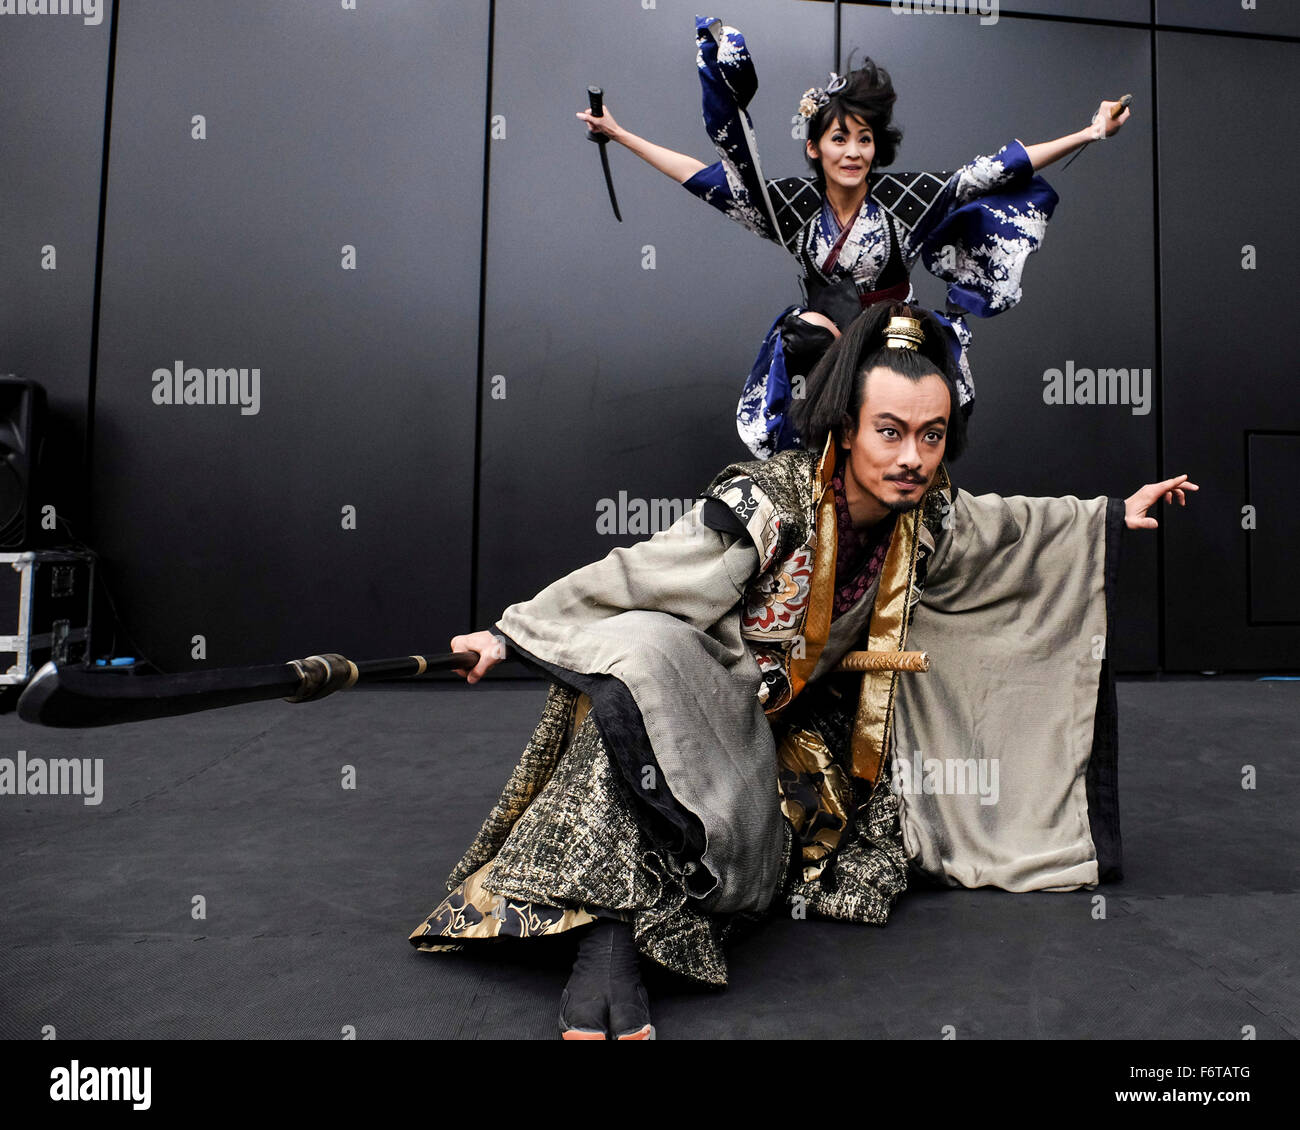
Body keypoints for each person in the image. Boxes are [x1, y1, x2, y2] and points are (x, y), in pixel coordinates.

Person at [408, 302, 1195, 1040]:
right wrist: (508, 635)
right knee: (641, 666)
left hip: (797, 738)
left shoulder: (928, 513)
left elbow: (1009, 526)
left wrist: (1104, 514)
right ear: (847, 427)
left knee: (752, 851)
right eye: (890, 432)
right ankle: (606, 944)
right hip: (709, 691)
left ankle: (626, 926)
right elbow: (647, 571)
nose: (912, 457)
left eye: (931, 435)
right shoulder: (771, 498)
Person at [576, 16, 1131, 458]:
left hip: (896, 347)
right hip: (824, 359)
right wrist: (620, 134)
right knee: (801, 335)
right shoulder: (791, 208)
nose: (853, 151)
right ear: (815, 147)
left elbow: (995, 169)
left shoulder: (903, 202)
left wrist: (1091, 131)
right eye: (839, 138)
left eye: (864, 139)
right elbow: (702, 177)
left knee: (893, 431)